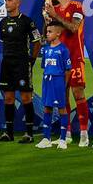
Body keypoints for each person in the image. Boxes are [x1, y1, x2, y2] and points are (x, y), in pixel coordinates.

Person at [44, 0, 89, 146]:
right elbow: (49, 34)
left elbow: (73, 28)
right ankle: (67, 132)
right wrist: (48, 19)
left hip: (75, 56)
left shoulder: (77, 6)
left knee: (78, 93)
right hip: (58, 59)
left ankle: (84, 134)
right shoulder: (53, 9)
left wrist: (55, 15)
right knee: (62, 97)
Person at [0, 0, 42, 143]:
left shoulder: (27, 21)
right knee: (8, 98)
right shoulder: (2, 22)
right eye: (5, 0)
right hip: (7, 63)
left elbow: (37, 41)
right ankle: (8, 133)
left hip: (22, 63)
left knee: (25, 97)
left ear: (17, 3)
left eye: (9, 0)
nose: (6, 3)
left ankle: (29, 133)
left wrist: (31, 60)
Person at [37, 20, 72, 151]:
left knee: (62, 108)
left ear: (58, 33)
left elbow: (68, 69)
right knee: (47, 108)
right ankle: (46, 138)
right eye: (47, 31)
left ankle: (63, 139)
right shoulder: (45, 50)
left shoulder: (63, 50)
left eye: (50, 32)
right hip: (47, 81)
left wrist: (64, 84)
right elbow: (44, 67)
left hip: (58, 81)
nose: (47, 34)